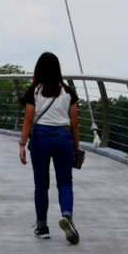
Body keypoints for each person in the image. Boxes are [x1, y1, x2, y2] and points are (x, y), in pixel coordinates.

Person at [17, 51, 81, 244]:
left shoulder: (34, 92)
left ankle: (42, 226)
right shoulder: (68, 92)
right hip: (63, 136)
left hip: (41, 137)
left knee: (41, 185)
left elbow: (28, 120)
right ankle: (67, 216)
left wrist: (22, 144)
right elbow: (75, 122)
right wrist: (76, 148)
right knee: (65, 182)